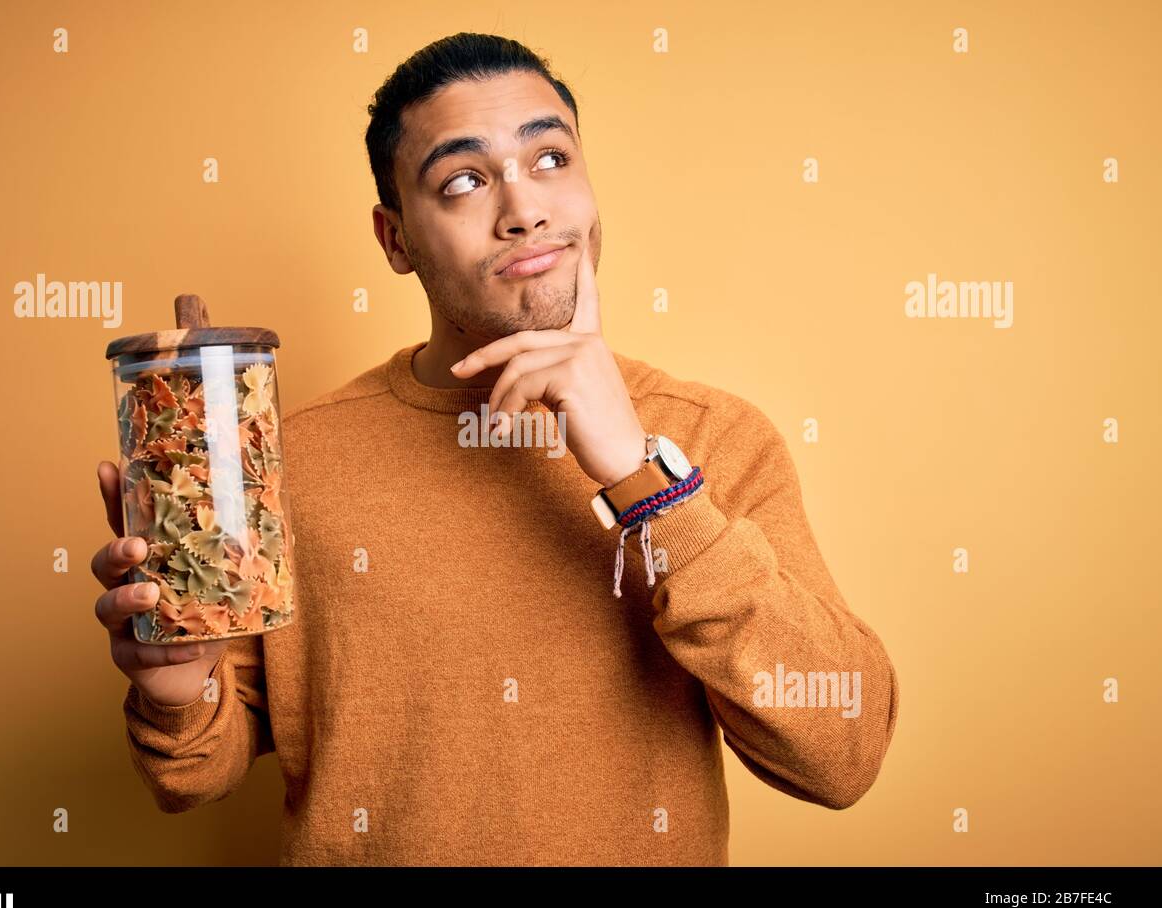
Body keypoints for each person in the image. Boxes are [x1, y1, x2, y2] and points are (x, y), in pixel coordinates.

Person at [91, 32, 899, 866]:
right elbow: (196, 773)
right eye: (465, 180)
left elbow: (842, 756)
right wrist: (176, 691)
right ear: (396, 240)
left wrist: (644, 479)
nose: (524, 209)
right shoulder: (292, 460)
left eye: (550, 158)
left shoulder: (717, 437)